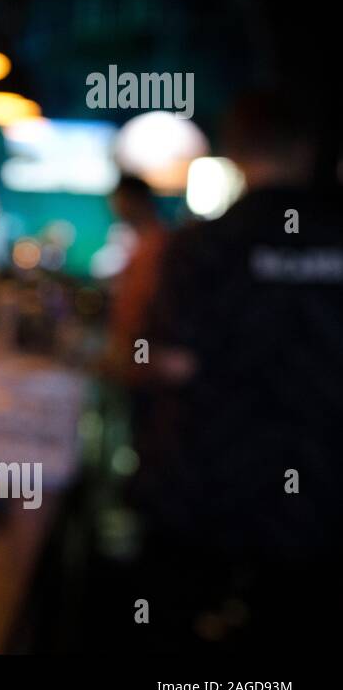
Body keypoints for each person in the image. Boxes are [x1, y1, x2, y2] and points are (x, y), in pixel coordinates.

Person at [130, 91, 343, 650]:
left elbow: (171, 362)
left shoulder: (203, 246)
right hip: (322, 507)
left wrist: (128, 360)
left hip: (206, 495)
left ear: (237, 150)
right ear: (309, 149)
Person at [102, 175, 169, 382]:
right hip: (136, 357)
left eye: (118, 200)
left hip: (144, 363)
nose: (114, 207)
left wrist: (139, 363)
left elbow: (143, 314)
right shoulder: (143, 244)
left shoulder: (157, 246)